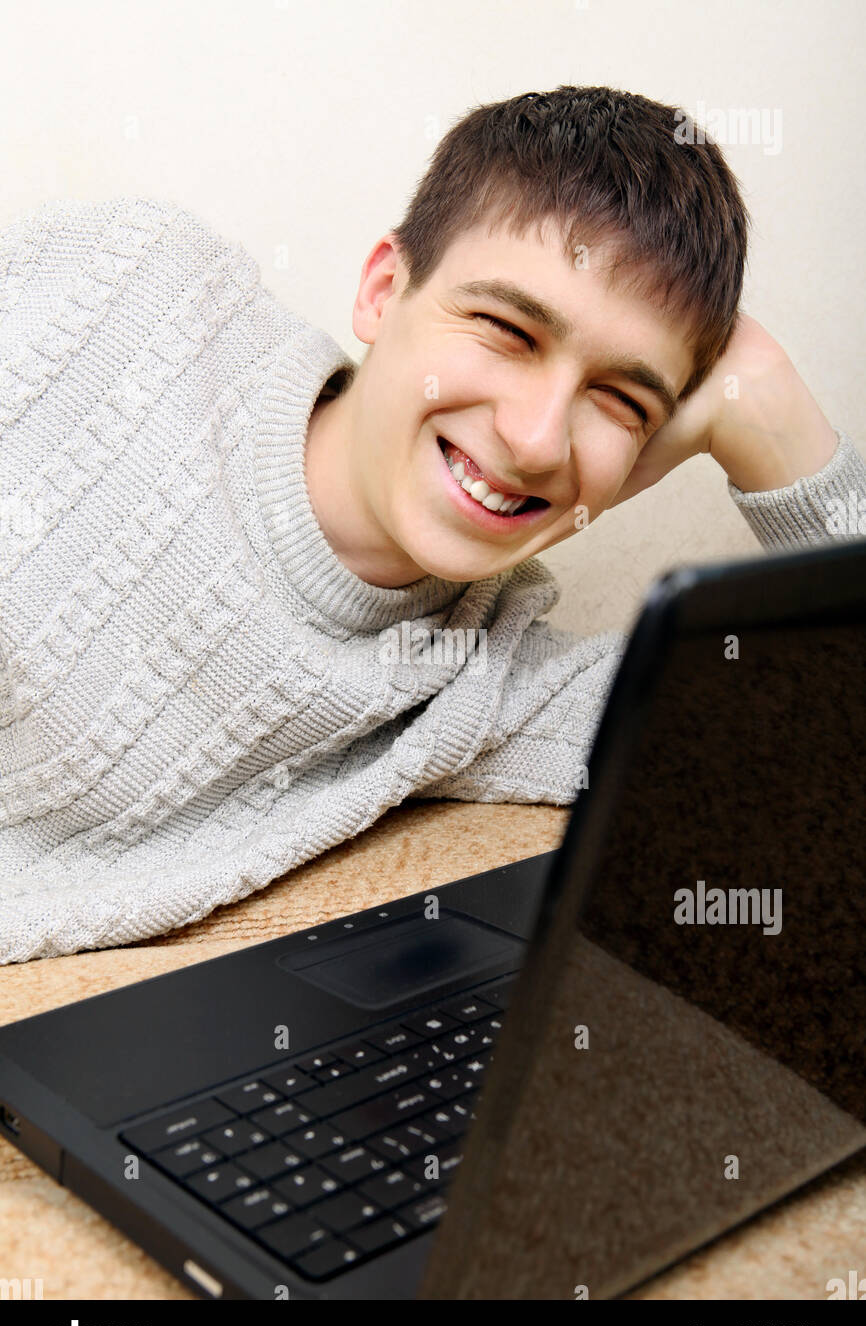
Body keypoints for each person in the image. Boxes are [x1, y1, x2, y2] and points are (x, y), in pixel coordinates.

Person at [0, 85, 862, 964]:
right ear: (382, 289)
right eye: (507, 329)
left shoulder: (486, 681)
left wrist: (773, 419)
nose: (534, 439)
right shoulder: (123, 295)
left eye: (619, 398)